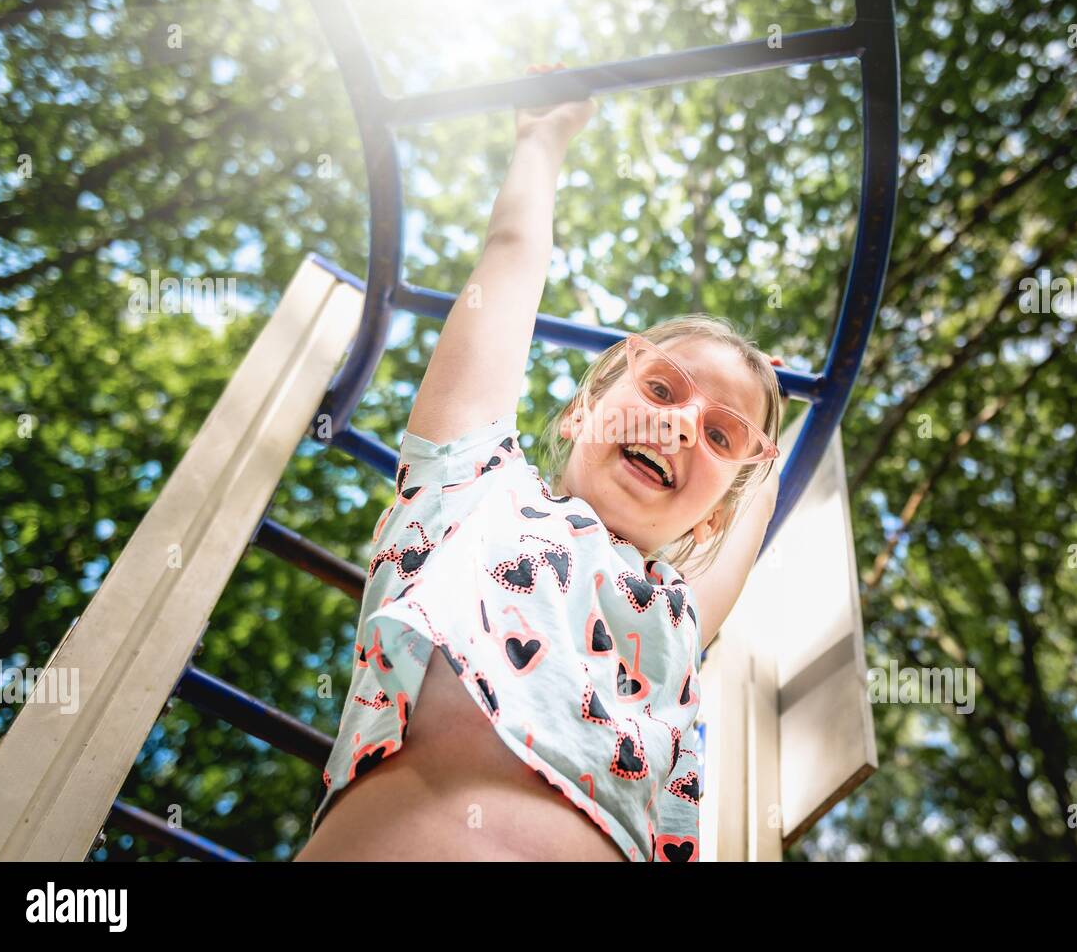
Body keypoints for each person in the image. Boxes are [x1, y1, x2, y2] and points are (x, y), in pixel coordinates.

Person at [294, 64, 784, 862]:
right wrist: (543, 140)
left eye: (723, 436)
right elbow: (511, 259)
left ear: (716, 517)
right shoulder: (477, 484)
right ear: (582, 412)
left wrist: (773, 411)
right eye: (662, 387)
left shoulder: (675, 615)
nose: (687, 427)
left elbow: (759, 498)